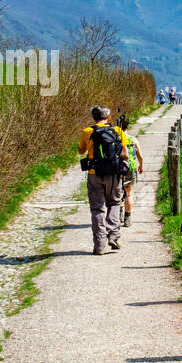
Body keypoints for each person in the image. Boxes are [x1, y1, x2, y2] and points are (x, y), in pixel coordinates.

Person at [79, 105, 128, 255]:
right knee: (114, 203)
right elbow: (125, 153)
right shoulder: (117, 131)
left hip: (95, 173)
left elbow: (81, 150)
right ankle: (113, 235)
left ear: (94, 117)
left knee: (97, 209)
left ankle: (99, 246)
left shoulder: (88, 131)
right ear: (107, 117)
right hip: (113, 174)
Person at [116, 112, 144, 227]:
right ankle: (127, 219)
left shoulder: (115, 139)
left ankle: (118, 215)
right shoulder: (133, 139)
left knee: (118, 193)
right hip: (130, 168)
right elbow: (140, 155)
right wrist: (141, 166)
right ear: (127, 126)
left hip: (117, 169)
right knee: (129, 194)